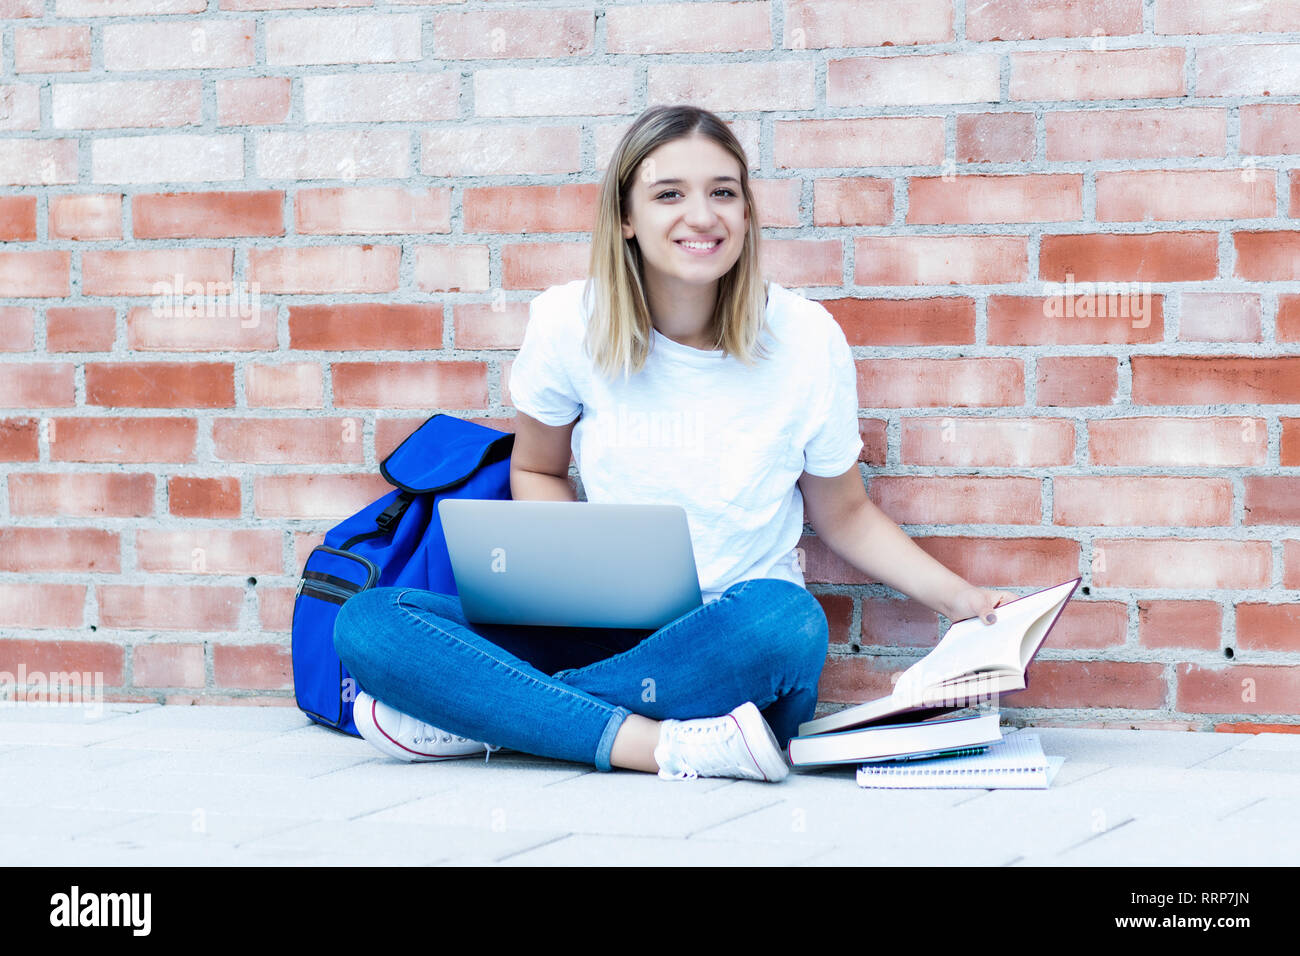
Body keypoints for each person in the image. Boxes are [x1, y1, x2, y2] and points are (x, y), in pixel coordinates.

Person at [333, 104, 1016, 783]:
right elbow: (538, 469)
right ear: (626, 218)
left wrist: (959, 598)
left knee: (788, 623)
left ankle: (492, 714)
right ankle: (667, 746)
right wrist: (574, 579)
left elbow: (845, 514)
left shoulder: (807, 339)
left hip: (733, 642)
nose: (703, 215)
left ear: (746, 212)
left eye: (723, 192)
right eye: (668, 194)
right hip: (604, 625)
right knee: (369, 621)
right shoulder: (571, 322)